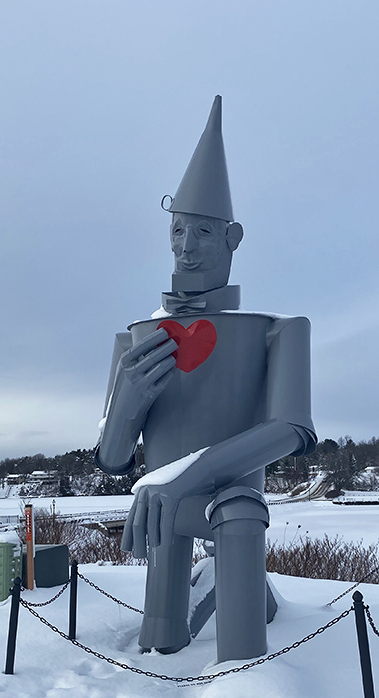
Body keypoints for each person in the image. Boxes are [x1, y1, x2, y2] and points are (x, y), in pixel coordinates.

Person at [96, 96, 316, 662]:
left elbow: (292, 427)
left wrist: (185, 475)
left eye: (201, 232)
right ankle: (170, 638)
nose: (186, 247)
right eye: (177, 231)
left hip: (231, 498)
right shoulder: (139, 336)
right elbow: (115, 458)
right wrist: (125, 412)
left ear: (232, 237)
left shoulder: (278, 330)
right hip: (163, 502)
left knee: (238, 515)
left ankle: (245, 683)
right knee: (161, 635)